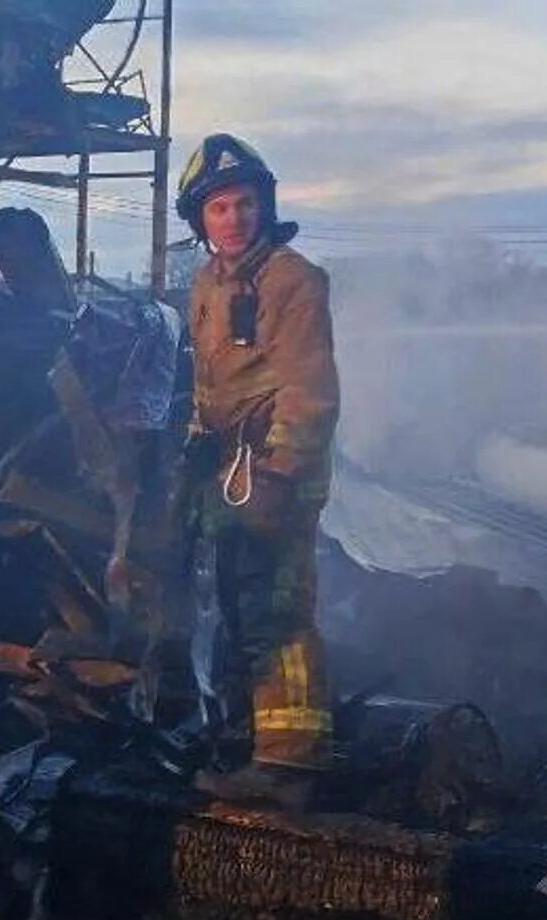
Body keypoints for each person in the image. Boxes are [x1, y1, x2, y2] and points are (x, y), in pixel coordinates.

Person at [174, 133, 340, 804]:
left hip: (273, 470)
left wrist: (280, 472)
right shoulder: (207, 284)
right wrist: (192, 447)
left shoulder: (292, 281)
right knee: (238, 605)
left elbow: (310, 390)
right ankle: (248, 742)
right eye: (219, 209)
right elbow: (207, 383)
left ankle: (292, 765)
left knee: (278, 606)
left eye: (244, 205)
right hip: (226, 471)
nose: (234, 219)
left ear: (263, 207)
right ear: (200, 220)